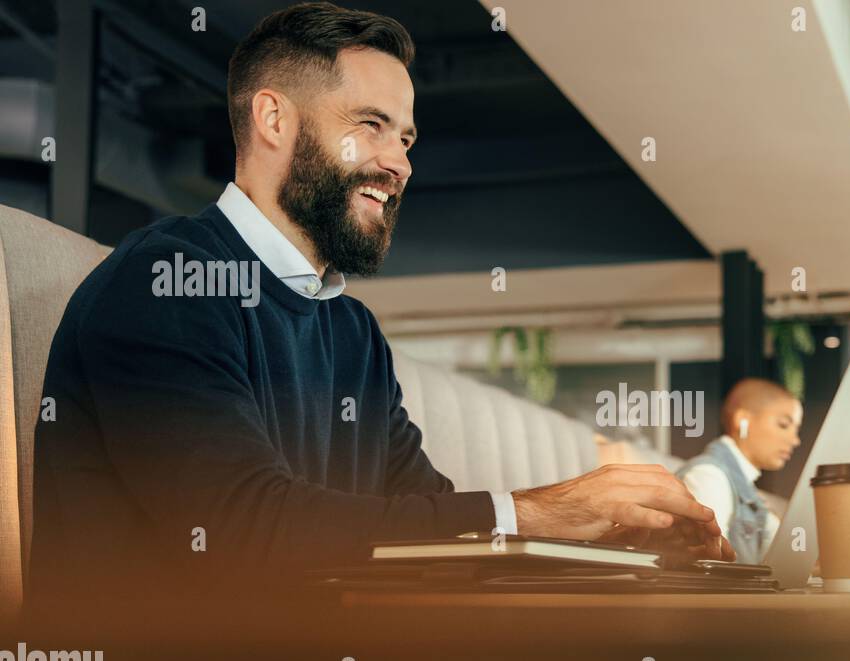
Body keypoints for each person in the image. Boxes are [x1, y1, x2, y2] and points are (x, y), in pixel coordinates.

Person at [28, 2, 731, 609]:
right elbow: (243, 532)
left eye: (405, 137)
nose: (400, 163)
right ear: (273, 117)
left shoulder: (351, 331)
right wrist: (540, 514)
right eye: (371, 124)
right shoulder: (170, 280)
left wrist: (611, 542)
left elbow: (423, 528)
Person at [677, 379, 803, 565]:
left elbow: (782, 565)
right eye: (784, 424)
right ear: (742, 420)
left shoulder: (748, 491)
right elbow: (713, 570)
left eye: (797, 429)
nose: (795, 441)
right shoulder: (709, 476)